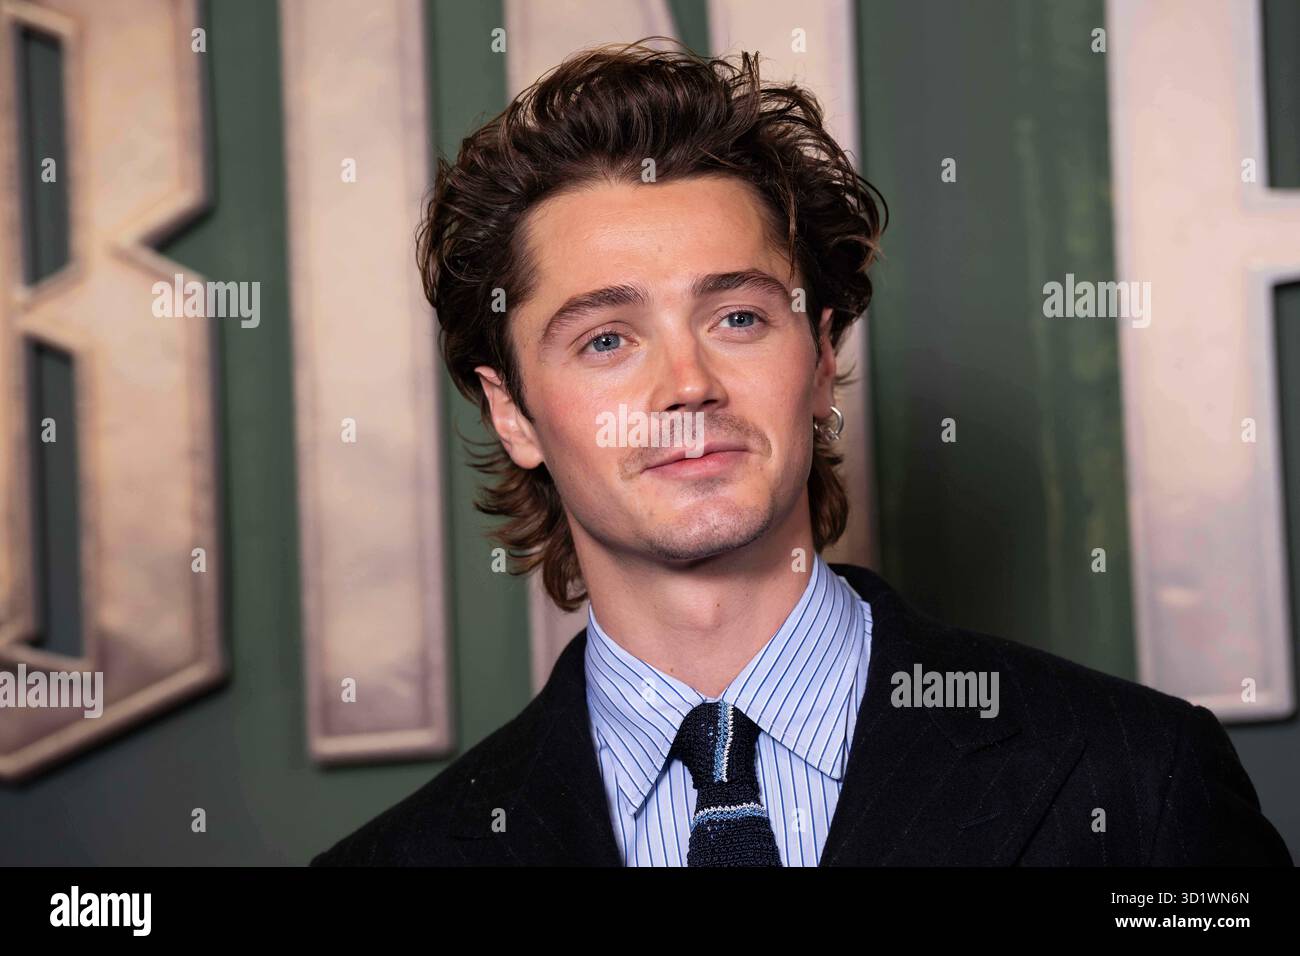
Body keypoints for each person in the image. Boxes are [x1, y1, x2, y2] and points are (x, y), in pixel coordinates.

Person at [311, 40, 1292, 867]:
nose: (685, 382)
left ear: (820, 357)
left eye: (737, 315)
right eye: (605, 338)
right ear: (513, 411)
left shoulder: (1137, 783)